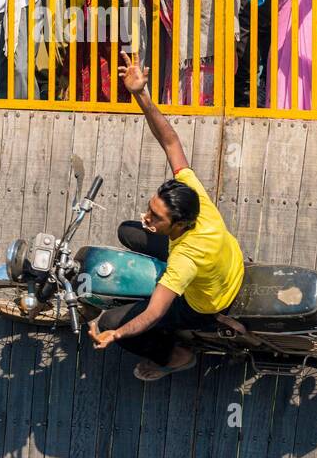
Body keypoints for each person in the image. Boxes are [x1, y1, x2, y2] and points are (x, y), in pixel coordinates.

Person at [88, 54, 245, 382]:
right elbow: (170, 140)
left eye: (156, 218)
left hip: (208, 304)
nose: (148, 218)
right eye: (150, 208)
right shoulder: (193, 195)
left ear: (180, 224)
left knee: (110, 323)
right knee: (128, 231)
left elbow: (152, 314)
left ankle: (176, 357)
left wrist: (115, 335)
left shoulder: (185, 259)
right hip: (225, 264)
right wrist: (141, 95)